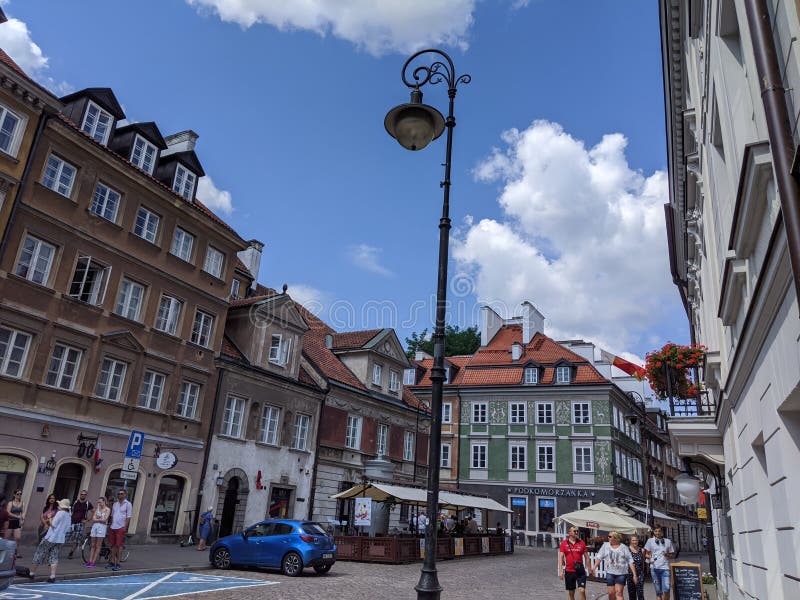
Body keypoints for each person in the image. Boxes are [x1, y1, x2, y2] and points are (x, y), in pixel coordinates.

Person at [29, 498, 71, 583]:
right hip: (60, 539)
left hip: (51, 537)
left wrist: (50, 517)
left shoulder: (60, 513)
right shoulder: (69, 515)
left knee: (40, 552)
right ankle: (52, 576)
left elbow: (53, 524)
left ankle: (32, 573)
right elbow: (68, 529)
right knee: (54, 556)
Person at [591, 531, 637, 600]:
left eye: (610, 536)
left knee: (619, 593)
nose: (608, 538)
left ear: (615, 538)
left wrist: (634, 575)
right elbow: (599, 557)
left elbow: (630, 561)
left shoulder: (624, 547)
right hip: (610, 573)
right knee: (611, 593)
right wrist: (594, 567)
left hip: (621, 574)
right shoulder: (605, 546)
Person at [644, 526, 676, 600]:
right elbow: (646, 554)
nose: (657, 533)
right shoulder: (650, 541)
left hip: (665, 568)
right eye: (656, 531)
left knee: (667, 588)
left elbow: (672, 555)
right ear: (654, 532)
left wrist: (667, 555)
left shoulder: (668, 541)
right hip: (654, 568)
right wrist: (650, 558)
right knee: (658, 592)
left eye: (659, 531)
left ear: (662, 532)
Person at [558, 525, 590, 600]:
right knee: (571, 593)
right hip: (569, 571)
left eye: (577, 531)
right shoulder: (564, 543)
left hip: (580, 571)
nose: (576, 532)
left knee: (582, 590)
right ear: (569, 533)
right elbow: (561, 557)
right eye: (574, 531)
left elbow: (587, 557)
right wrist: (561, 571)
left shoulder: (581, 542)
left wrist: (589, 569)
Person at [107, 489, 132, 571]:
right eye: (118, 494)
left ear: (125, 495)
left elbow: (128, 517)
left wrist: (125, 527)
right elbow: (112, 515)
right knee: (113, 545)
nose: (119, 495)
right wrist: (110, 524)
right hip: (113, 526)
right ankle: (111, 561)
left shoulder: (128, 504)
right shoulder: (115, 504)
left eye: (121, 494)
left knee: (119, 545)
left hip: (121, 527)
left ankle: (118, 563)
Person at [67, 490, 93, 559]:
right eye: (82, 494)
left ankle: (71, 552)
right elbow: (70, 510)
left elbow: (94, 511)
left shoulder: (88, 503)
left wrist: (88, 520)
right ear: (80, 495)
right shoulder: (75, 502)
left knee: (76, 539)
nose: (83, 495)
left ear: (86, 495)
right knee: (66, 536)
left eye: (84, 494)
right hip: (72, 522)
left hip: (80, 524)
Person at [86, 496, 109, 568]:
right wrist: (99, 519)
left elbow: (105, 519)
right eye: (98, 502)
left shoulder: (107, 509)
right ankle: (90, 560)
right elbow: (93, 519)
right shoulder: (97, 509)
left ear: (104, 502)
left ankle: (93, 561)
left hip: (102, 528)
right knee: (92, 545)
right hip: (95, 527)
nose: (99, 503)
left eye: (100, 502)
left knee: (98, 545)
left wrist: (98, 519)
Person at [5, 489, 25, 557]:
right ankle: (4, 550)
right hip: (10, 521)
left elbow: (22, 512)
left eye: (20, 494)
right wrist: (17, 516)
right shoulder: (10, 503)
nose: (19, 495)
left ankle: (15, 552)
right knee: (7, 537)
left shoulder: (22, 503)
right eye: (17, 494)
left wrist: (22, 516)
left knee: (17, 537)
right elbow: (8, 512)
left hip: (17, 522)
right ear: (14, 495)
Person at [627, 534, 646, 600]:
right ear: (630, 541)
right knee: (632, 595)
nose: (634, 542)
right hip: (629, 575)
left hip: (640, 574)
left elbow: (643, 562)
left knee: (640, 594)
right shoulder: (627, 550)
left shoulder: (642, 550)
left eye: (636, 540)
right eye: (633, 540)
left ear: (638, 541)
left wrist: (642, 573)